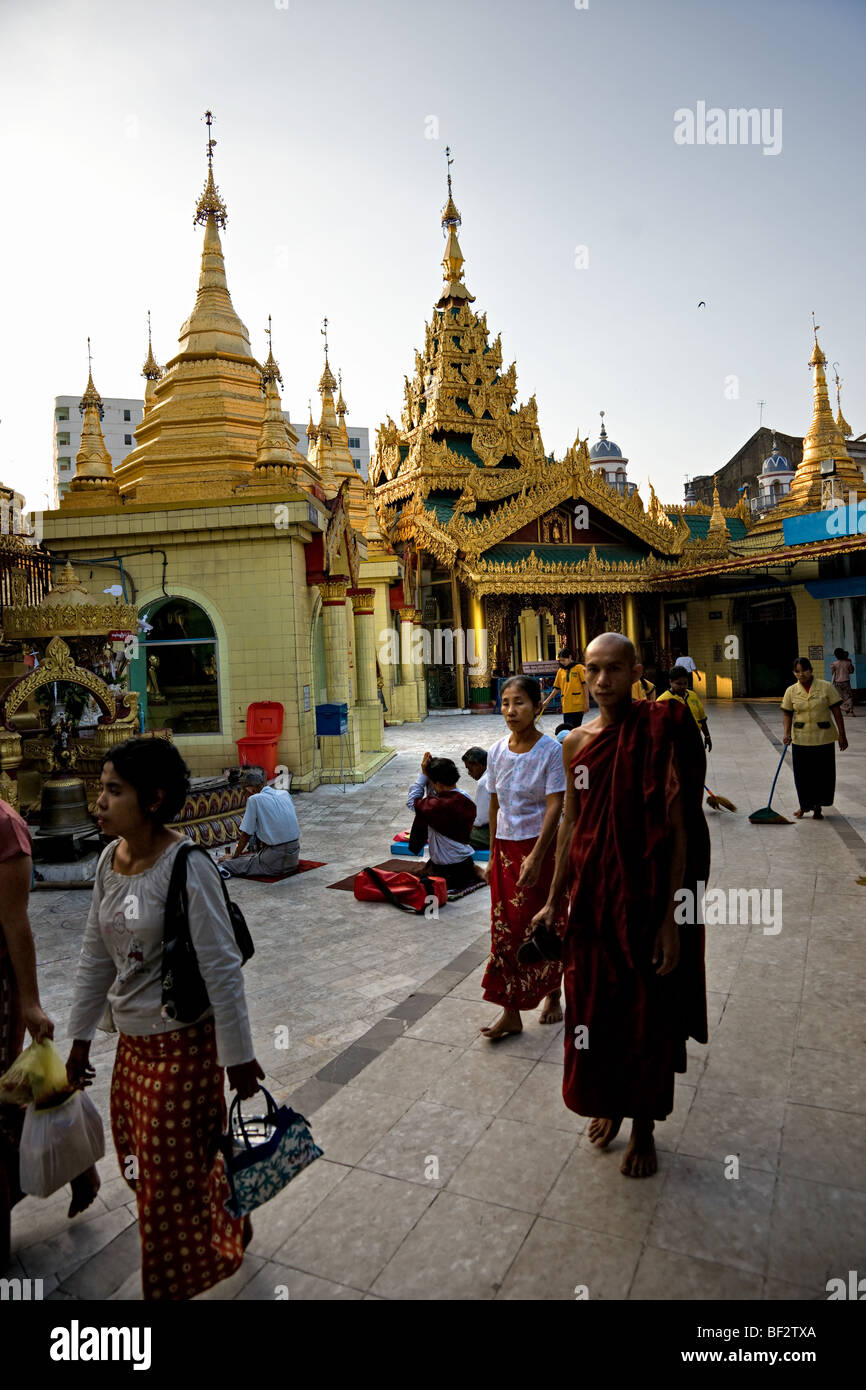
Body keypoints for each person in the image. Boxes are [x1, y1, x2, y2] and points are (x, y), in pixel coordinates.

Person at [65, 738, 264, 1301]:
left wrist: (240, 1057)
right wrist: (80, 1042)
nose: (97, 803)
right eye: (100, 789)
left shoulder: (188, 867)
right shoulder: (110, 860)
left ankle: (170, 1288)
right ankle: (230, 1212)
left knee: (163, 1191)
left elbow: (223, 969)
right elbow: (93, 956)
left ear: (152, 799)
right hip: (131, 1050)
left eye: (112, 791)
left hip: (184, 1050)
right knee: (146, 1171)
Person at [531, 633, 710, 1178]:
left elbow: (678, 829)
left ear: (636, 672)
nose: (602, 680)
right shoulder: (576, 743)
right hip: (592, 898)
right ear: (582, 675)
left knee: (644, 1012)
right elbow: (573, 820)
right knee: (593, 1006)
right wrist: (553, 897)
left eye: (614, 669)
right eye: (593, 670)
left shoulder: (661, 728)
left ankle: (645, 1125)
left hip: (646, 896)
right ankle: (607, 1100)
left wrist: (673, 920)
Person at [480, 675, 567, 1039]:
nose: (511, 711)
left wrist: (536, 856)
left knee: (541, 924)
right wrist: (490, 855)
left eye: (519, 703)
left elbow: (555, 806)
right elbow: (495, 804)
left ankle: (553, 993)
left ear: (537, 706)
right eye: (505, 703)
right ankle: (511, 1011)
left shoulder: (551, 752)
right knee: (504, 930)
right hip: (504, 850)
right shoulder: (498, 751)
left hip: (539, 850)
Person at [0, 800, 60, 1267]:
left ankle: (72, 1165)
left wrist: (30, 1002)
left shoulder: (5, 827)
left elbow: (16, 922)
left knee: (4, 1098)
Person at [781, 657, 848, 819]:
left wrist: (842, 734)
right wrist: (786, 733)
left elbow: (837, 712)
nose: (801, 674)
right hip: (801, 739)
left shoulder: (826, 687)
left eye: (804, 670)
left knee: (823, 775)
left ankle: (818, 806)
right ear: (793, 673)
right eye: (797, 671)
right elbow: (787, 713)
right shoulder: (791, 691)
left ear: (811, 670)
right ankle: (804, 806)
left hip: (823, 739)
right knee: (803, 775)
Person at [407, 756, 482, 891]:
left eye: (431, 782)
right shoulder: (464, 796)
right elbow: (434, 798)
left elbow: (413, 801)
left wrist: (423, 775)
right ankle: (473, 870)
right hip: (465, 862)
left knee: (417, 884)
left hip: (446, 869)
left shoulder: (437, 806)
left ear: (439, 784)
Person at [218, 768, 300, 878]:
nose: (245, 795)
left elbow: (246, 835)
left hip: (276, 862)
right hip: (294, 858)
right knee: (252, 858)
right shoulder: (284, 793)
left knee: (228, 864)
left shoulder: (254, 799)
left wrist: (234, 856)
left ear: (250, 789)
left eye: (245, 792)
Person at [658, 667, 712, 752]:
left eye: (685, 683)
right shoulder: (662, 700)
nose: (683, 686)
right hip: (675, 745)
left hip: (695, 740)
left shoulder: (693, 695)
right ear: (670, 682)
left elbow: (702, 719)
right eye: (679, 684)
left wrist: (707, 736)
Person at [540, 648, 589, 729]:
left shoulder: (579, 668)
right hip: (566, 705)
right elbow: (556, 688)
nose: (562, 662)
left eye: (563, 660)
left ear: (570, 657)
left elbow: (585, 685)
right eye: (560, 660)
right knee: (567, 730)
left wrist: (587, 703)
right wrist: (547, 700)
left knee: (576, 729)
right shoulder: (560, 671)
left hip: (578, 705)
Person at [461, 746, 490, 849]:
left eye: (470, 768)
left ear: (477, 765)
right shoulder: (495, 772)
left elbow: (480, 820)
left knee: (454, 833)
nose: (469, 773)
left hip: (494, 832)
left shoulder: (484, 782)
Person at [829, 647, 856, 717]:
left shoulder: (834, 664)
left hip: (837, 683)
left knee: (840, 697)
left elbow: (833, 673)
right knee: (849, 696)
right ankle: (850, 710)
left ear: (835, 655)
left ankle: (844, 708)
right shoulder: (848, 663)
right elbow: (851, 671)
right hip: (846, 682)